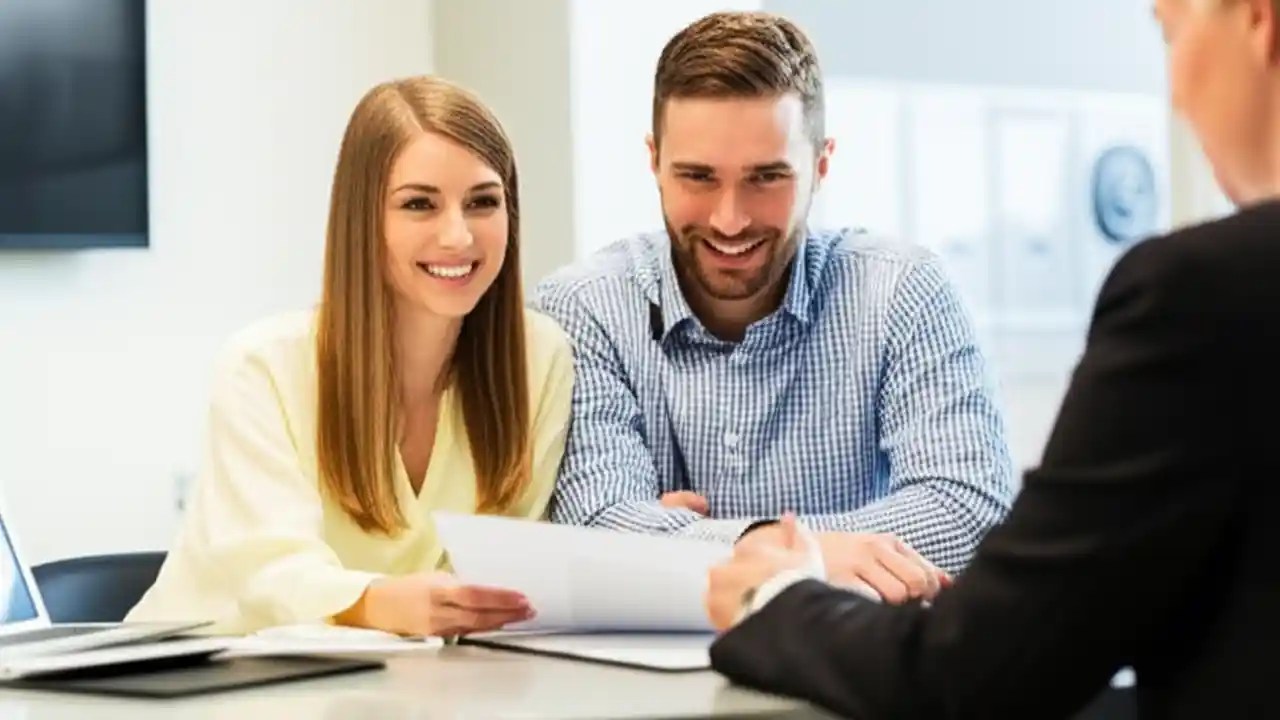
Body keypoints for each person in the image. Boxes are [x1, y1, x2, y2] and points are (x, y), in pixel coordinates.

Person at [704, 0, 1278, 717]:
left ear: (1259, 21)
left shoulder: (1205, 295)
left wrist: (777, 597)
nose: (1176, 91)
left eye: (1172, 34)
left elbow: (979, 666)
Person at [534, 11, 1013, 601]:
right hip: (644, 689)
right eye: (698, 177)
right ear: (654, 162)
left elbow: (967, 514)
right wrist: (815, 556)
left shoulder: (902, 291)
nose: (729, 219)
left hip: (855, 682)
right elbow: (595, 531)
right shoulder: (584, 308)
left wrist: (684, 546)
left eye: (766, 177)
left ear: (821, 164)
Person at [126, 76, 574, 638]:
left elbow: (507, 576)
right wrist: (377, 604)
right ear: (363, 219)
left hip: (401, 686)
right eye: (419, 204)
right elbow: (268, 574)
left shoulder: (541, 358)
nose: (459, 236)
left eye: (483, 202)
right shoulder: (262, 368)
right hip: (204, 684)